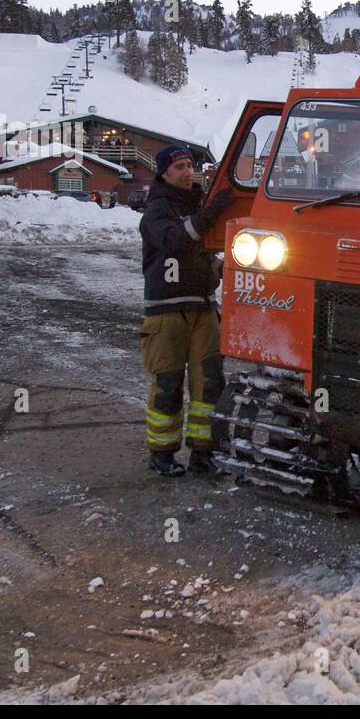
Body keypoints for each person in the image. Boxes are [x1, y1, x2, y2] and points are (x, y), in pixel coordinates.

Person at [139, 145, 235, 477]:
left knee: (208, 384)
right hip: (166, 312)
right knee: (167, 383)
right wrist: (210, 214)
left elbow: (202, 249)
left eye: (189, 165)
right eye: (179, 166)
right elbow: (178, 240)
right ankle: (162, 455)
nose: (186, 171)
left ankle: (203, 454)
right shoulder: (157, 210)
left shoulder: (198, 204)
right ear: (164, 172)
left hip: (203, 308)